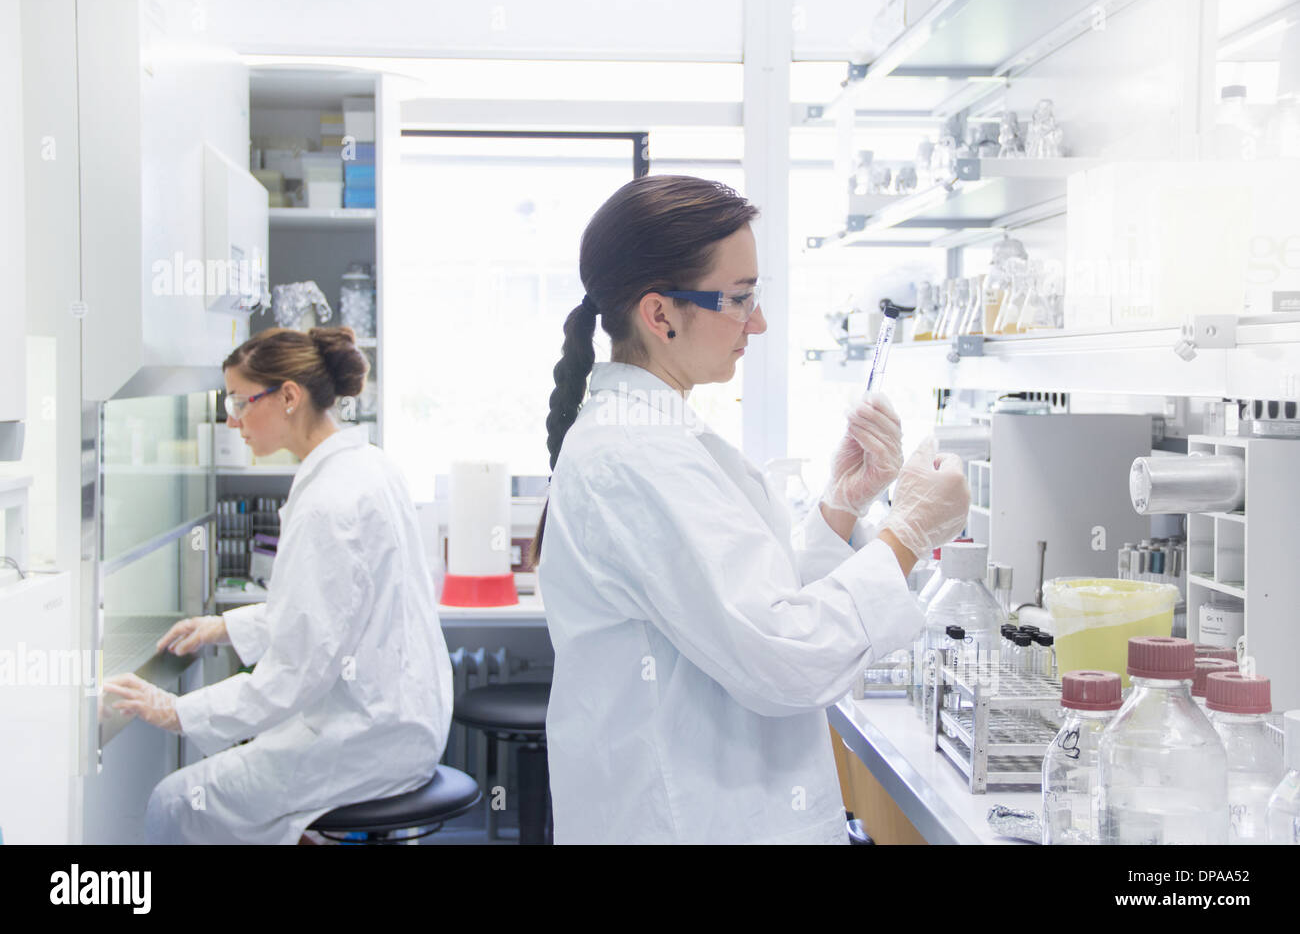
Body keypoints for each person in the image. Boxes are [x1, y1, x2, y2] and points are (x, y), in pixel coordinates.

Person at [534, 175, 970, 844]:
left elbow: (754, 600)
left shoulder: (658, 435)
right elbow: (783, 658)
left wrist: (839, 507)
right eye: (739, 299)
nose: (757, 321)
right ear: (660, 315)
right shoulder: (633, 455)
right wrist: (909, 534)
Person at [104, 326, 453, 844]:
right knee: (256, 797)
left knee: (176, 803)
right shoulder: (367, 466)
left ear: (289, 396)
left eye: (241, 401)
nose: (231, 419)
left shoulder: (329, 502)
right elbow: (327, 614)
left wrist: (178, 711)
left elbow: (296, 671)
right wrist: (223, 627)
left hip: (366, 737)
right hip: (402, 721)